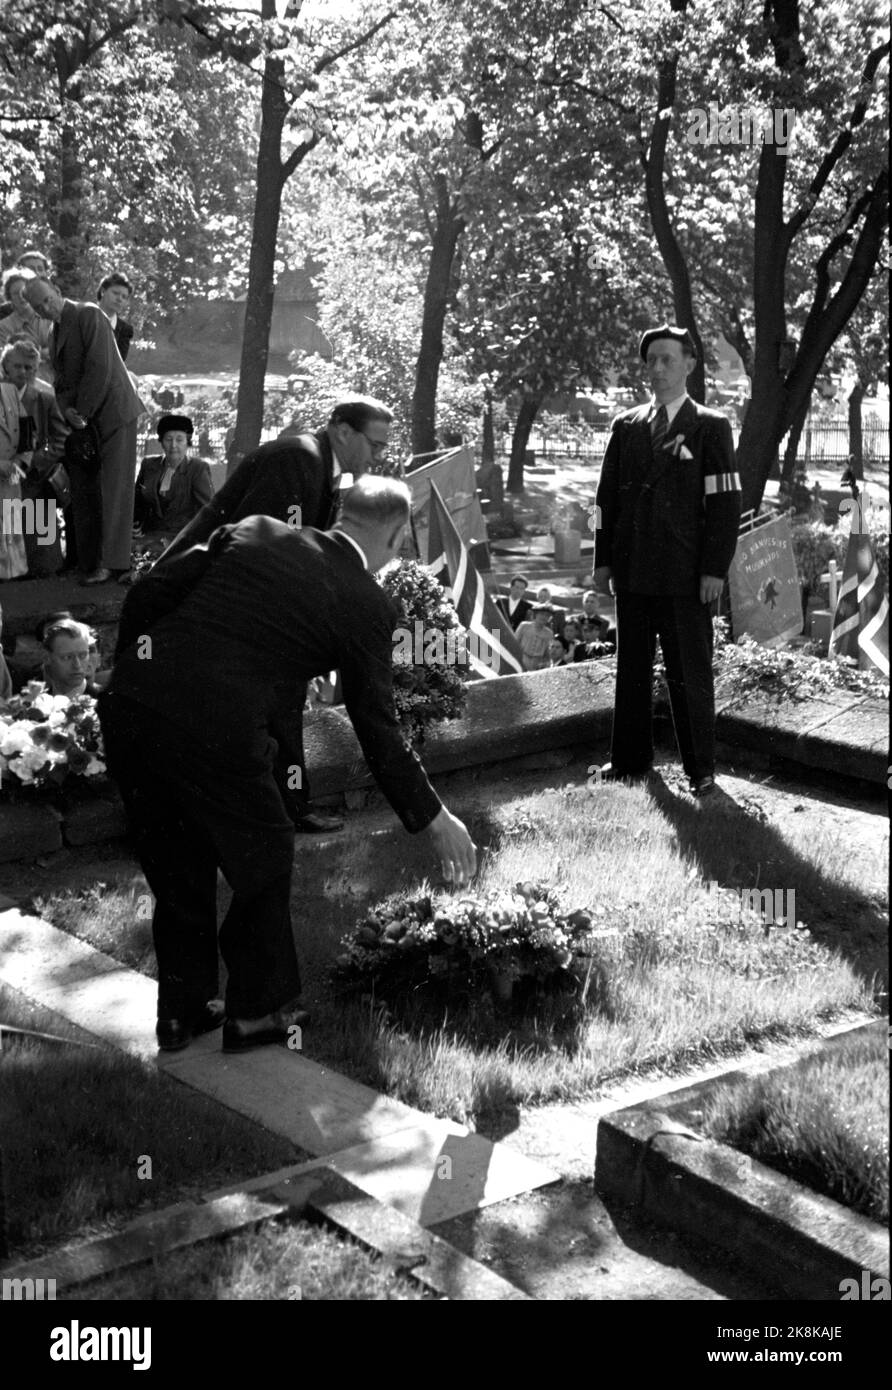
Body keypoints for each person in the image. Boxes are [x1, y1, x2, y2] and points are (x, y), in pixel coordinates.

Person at [99, 476, 477, 1054]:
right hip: (215, 728)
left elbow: (153, 591)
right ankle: (253, 1013)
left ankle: (182, 1012)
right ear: (400, 536)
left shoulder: (257, 531)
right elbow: (377, 728)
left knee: (177, 864)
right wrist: (433, 817)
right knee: (266, 852)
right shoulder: (367, 603)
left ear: (340, 515)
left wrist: (137, 665)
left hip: (130, 708)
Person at [158, 394, 394, 834]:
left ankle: (289, 805)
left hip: (251, 601)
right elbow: (262, 544)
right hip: (212, 597)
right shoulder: (299, 459)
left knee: (283, 702)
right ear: (343, 431)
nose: (380, 456)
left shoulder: (318, 462)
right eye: (376, 444)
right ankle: (267, 810)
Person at [593, 324, 741, 797]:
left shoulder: (711, 427)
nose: (657, 370)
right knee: (631, 669)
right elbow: (605, 501)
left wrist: (715, 569)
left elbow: (724, 505)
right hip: (633, 573)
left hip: (685, 576)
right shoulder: (627, 426)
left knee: (689, 673)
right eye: (651, 361)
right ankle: (630, 761)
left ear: (690, 365)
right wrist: (602, 562)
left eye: (668, 360)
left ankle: (701, 771)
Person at [24, 275, 144, 586]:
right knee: (90, 490)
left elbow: (100, 367)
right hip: (88, 418)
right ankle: (93, 563)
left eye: (48, 300)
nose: (46, 308)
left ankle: (112, 565)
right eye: (39, 307)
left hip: (115, 413)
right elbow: (61, 382)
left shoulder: (88, 313)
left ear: (59, 290)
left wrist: (82, 414)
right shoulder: (55, 332)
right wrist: (67, 411)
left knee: (114, 489)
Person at [1, 338, 68, 576]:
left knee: (45, 563)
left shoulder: (44, 399)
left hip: (35, 479)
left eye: (29, 368)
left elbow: (61, 440)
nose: (23, 371)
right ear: (5, 366)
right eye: (17, 366)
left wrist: (35, 463)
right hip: (4, 477)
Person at [133, 414, 213, 549]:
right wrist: (135, 524)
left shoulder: (197, 468)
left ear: (187, 442)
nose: (173, 445)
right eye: (168, 439)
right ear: (161, 441)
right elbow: (137, 502)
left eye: (179, 439)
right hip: (148, 535)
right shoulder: (149, 465)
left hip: (181, 539)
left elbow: (208, 511)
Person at [0, 371, 30, 579]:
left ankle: (12, 572)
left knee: (11, 521)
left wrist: (20, 462)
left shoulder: (10, 391)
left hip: (12, 474)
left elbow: (29, 435)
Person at [0, 269, 54, 380]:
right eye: (15, 293)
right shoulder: (4, 326)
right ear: (9, 298)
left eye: (23, 291)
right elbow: (10, 359)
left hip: (54, 378)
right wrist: (43, 352)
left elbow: (59, 349)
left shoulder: (49, 318)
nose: (21, 296)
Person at [41, 618, 103, 697]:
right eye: (67, 657)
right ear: (47, 658)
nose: (77, 665)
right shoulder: (35, 705)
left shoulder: (104, 704)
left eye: (83, 656)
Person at [97, 272, 134, 362]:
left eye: (124, 297)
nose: (119, 299)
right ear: (103, 291)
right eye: (115, 293)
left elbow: (118, 364)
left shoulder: (125, 330)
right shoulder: (82, 317)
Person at [514, 603, 556, 671]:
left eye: (547, 615)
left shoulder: (549, 633)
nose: (544, 617)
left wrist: (545, 664)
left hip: (537, 664)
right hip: (521, 660)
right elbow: (514, 643)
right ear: (536, 614)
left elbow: (547, 653)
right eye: (542, 614)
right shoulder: (524, 626)